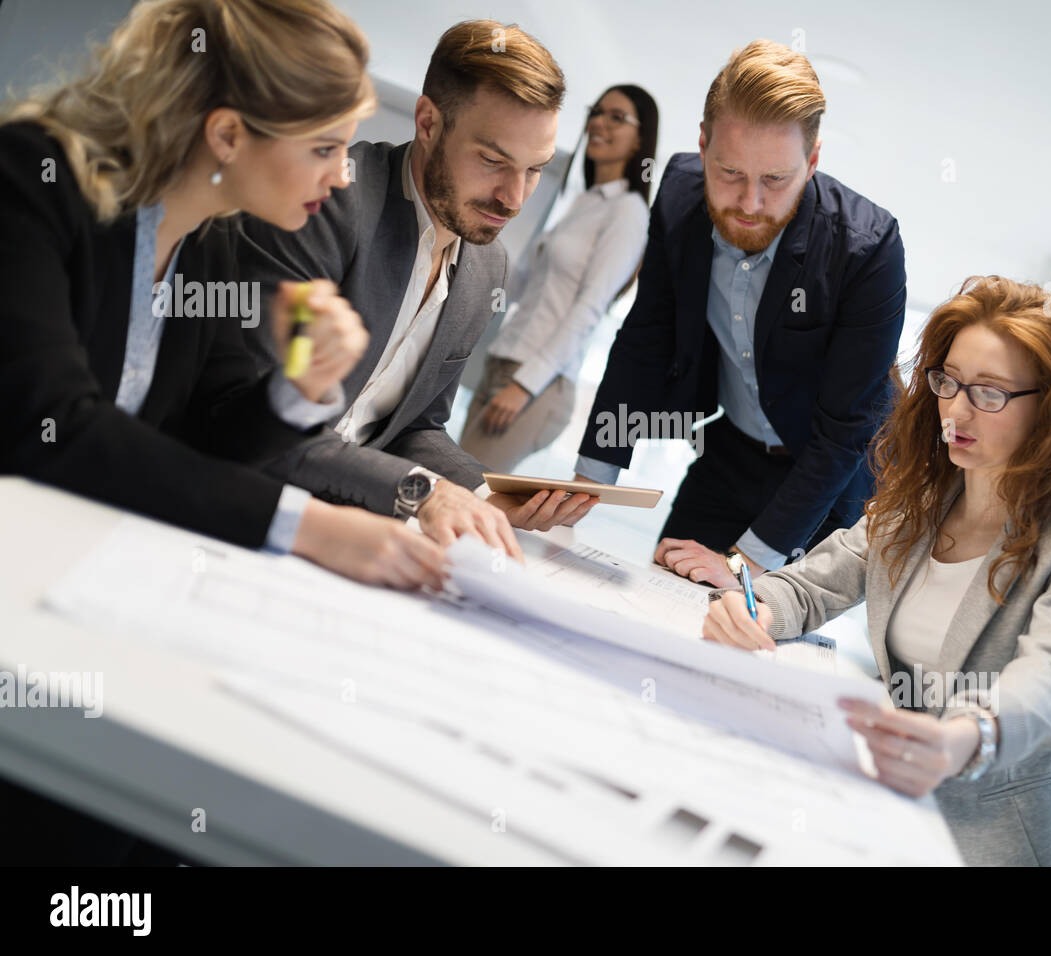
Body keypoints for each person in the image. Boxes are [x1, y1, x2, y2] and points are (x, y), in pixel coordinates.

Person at [0, 0, 456, 863]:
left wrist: (291, 393)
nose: (344, 176)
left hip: (63, 603)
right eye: (324, 148)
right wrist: (308, 525)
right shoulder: (31, 177)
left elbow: (186, 449)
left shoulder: (207, 246)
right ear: (226, 135)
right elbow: (55, 428)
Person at [702, 275, 1051, 866]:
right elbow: (810, 585)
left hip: (997, 841)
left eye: (989, 393)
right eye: (948, 382)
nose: (956, 410)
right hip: (888, 806)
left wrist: (966, 738)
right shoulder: (919, 504)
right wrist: (753, 608)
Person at [227, 19, 596, 553]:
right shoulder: (328, 203)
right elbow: (267, 415)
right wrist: (423, 492)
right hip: (245, 502)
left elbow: (416, 425)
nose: (514, 198)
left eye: (535, 169)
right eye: (492, 161)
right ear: (427, 122)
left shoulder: (486, 267)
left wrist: (485, 490)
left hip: (349, 526)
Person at [572, 39, 906, 590]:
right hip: (729, 452)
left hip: (824, 482)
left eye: (775, 180)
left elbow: (847, 431)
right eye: (729, 172)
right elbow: (646, 338)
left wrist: (743, 567)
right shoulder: (678, 193)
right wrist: (588, 482)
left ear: (813, 162)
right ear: (702, 146)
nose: (749, 203)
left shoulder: (867, 249)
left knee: (750, 638)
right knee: (662, 593)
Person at [460, 83, 658, 472]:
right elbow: (521, 285)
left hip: (537, 385)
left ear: (640, 140)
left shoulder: (628, 211)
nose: (600, 122)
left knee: (464, 493)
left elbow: (589, 307)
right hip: (503, 362)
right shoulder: (582, 202)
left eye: (617, 117)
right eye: (596, 112)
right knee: (451, 489)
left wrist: (524, 386)